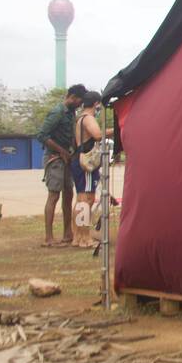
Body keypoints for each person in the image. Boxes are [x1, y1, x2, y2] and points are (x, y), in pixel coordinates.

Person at [36, 84, 86, 247]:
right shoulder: (57, 112)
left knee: (68, 194)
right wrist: (62, 151)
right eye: (79, 101)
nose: (80, 104)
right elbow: (42, 135)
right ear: (72, 97)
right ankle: (48, 237)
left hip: (66, 158)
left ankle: (67, 233)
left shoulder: (71, 114)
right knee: (54, 195)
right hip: (55, 159)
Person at [69, 91, 111, 248]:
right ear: (95, 103)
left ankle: (78, 236)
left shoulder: (80, 118)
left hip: (79, 160)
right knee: (86, 200)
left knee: (81, 199)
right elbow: (98, 135)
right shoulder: (88, 118)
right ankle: (85, 238)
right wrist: (116, 130)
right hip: (86, 162)